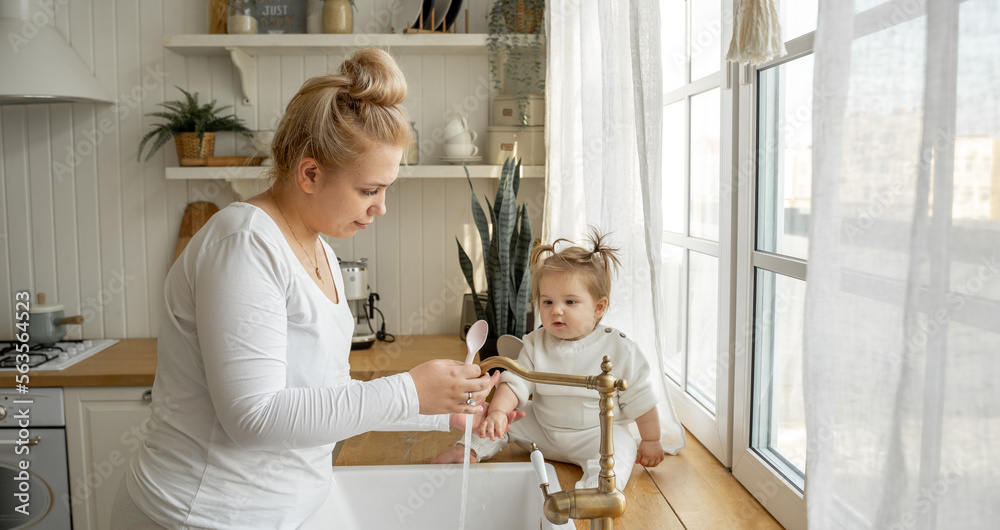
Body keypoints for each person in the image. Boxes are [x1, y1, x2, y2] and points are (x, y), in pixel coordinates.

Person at [112, 48, 518, 529]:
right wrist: (409, 390)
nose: (380, 208)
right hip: (202, 514)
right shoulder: (244, 244)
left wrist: (439, 411)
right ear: (310, 173)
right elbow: (254, 417)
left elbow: (325, 394)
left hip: (283, 508)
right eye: (369, 190)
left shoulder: (318, 247)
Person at [431, 230, 664, 490]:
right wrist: (497, 412)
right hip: (542, 427)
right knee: (506, 420)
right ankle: (468, 451)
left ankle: (594, 491)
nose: (556, 310)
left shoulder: (619, 348)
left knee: (620, 447)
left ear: (598, 307)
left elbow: (642, 399)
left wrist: (651, 440)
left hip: (595, 435)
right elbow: (515, 382)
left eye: (570, 301)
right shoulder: (535, 341)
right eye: (548, 301)